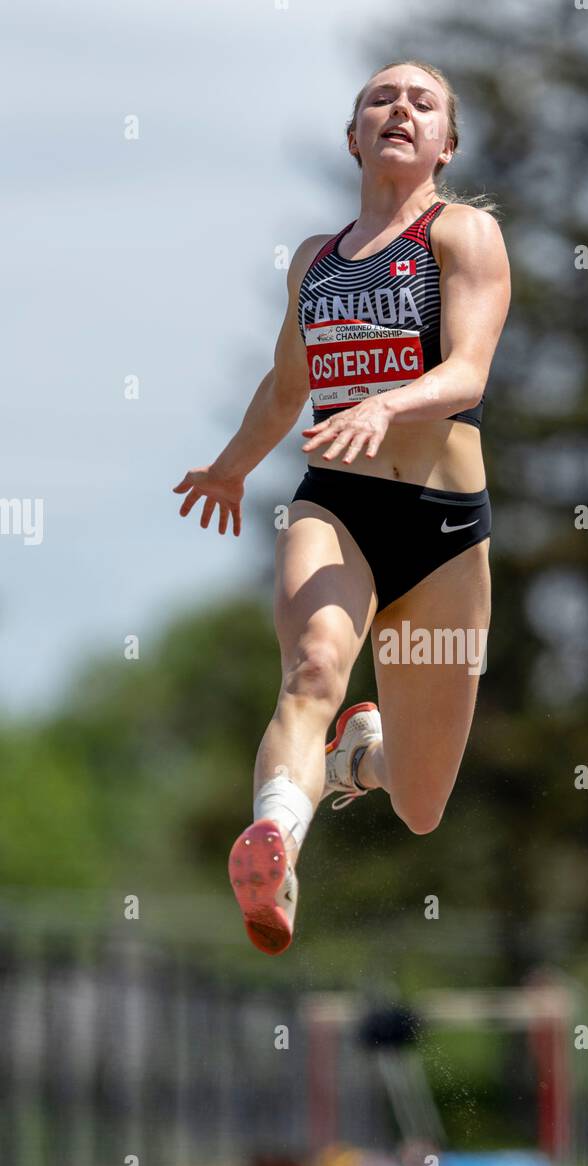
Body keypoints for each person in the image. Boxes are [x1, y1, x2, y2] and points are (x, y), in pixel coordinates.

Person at [173, 58, 511, 955]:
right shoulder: (314, 263)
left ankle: (360, 757)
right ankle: (278, 847)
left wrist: (385, 403)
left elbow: (469, 372)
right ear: (353, 135)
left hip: (443, 531)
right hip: (336, 508)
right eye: (379, 99)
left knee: (421, 802)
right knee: (314, 668)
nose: (399, 108)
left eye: (422, 102)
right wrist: (231, 468)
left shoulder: (463, 234)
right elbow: (289, 387)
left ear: (446, 143)